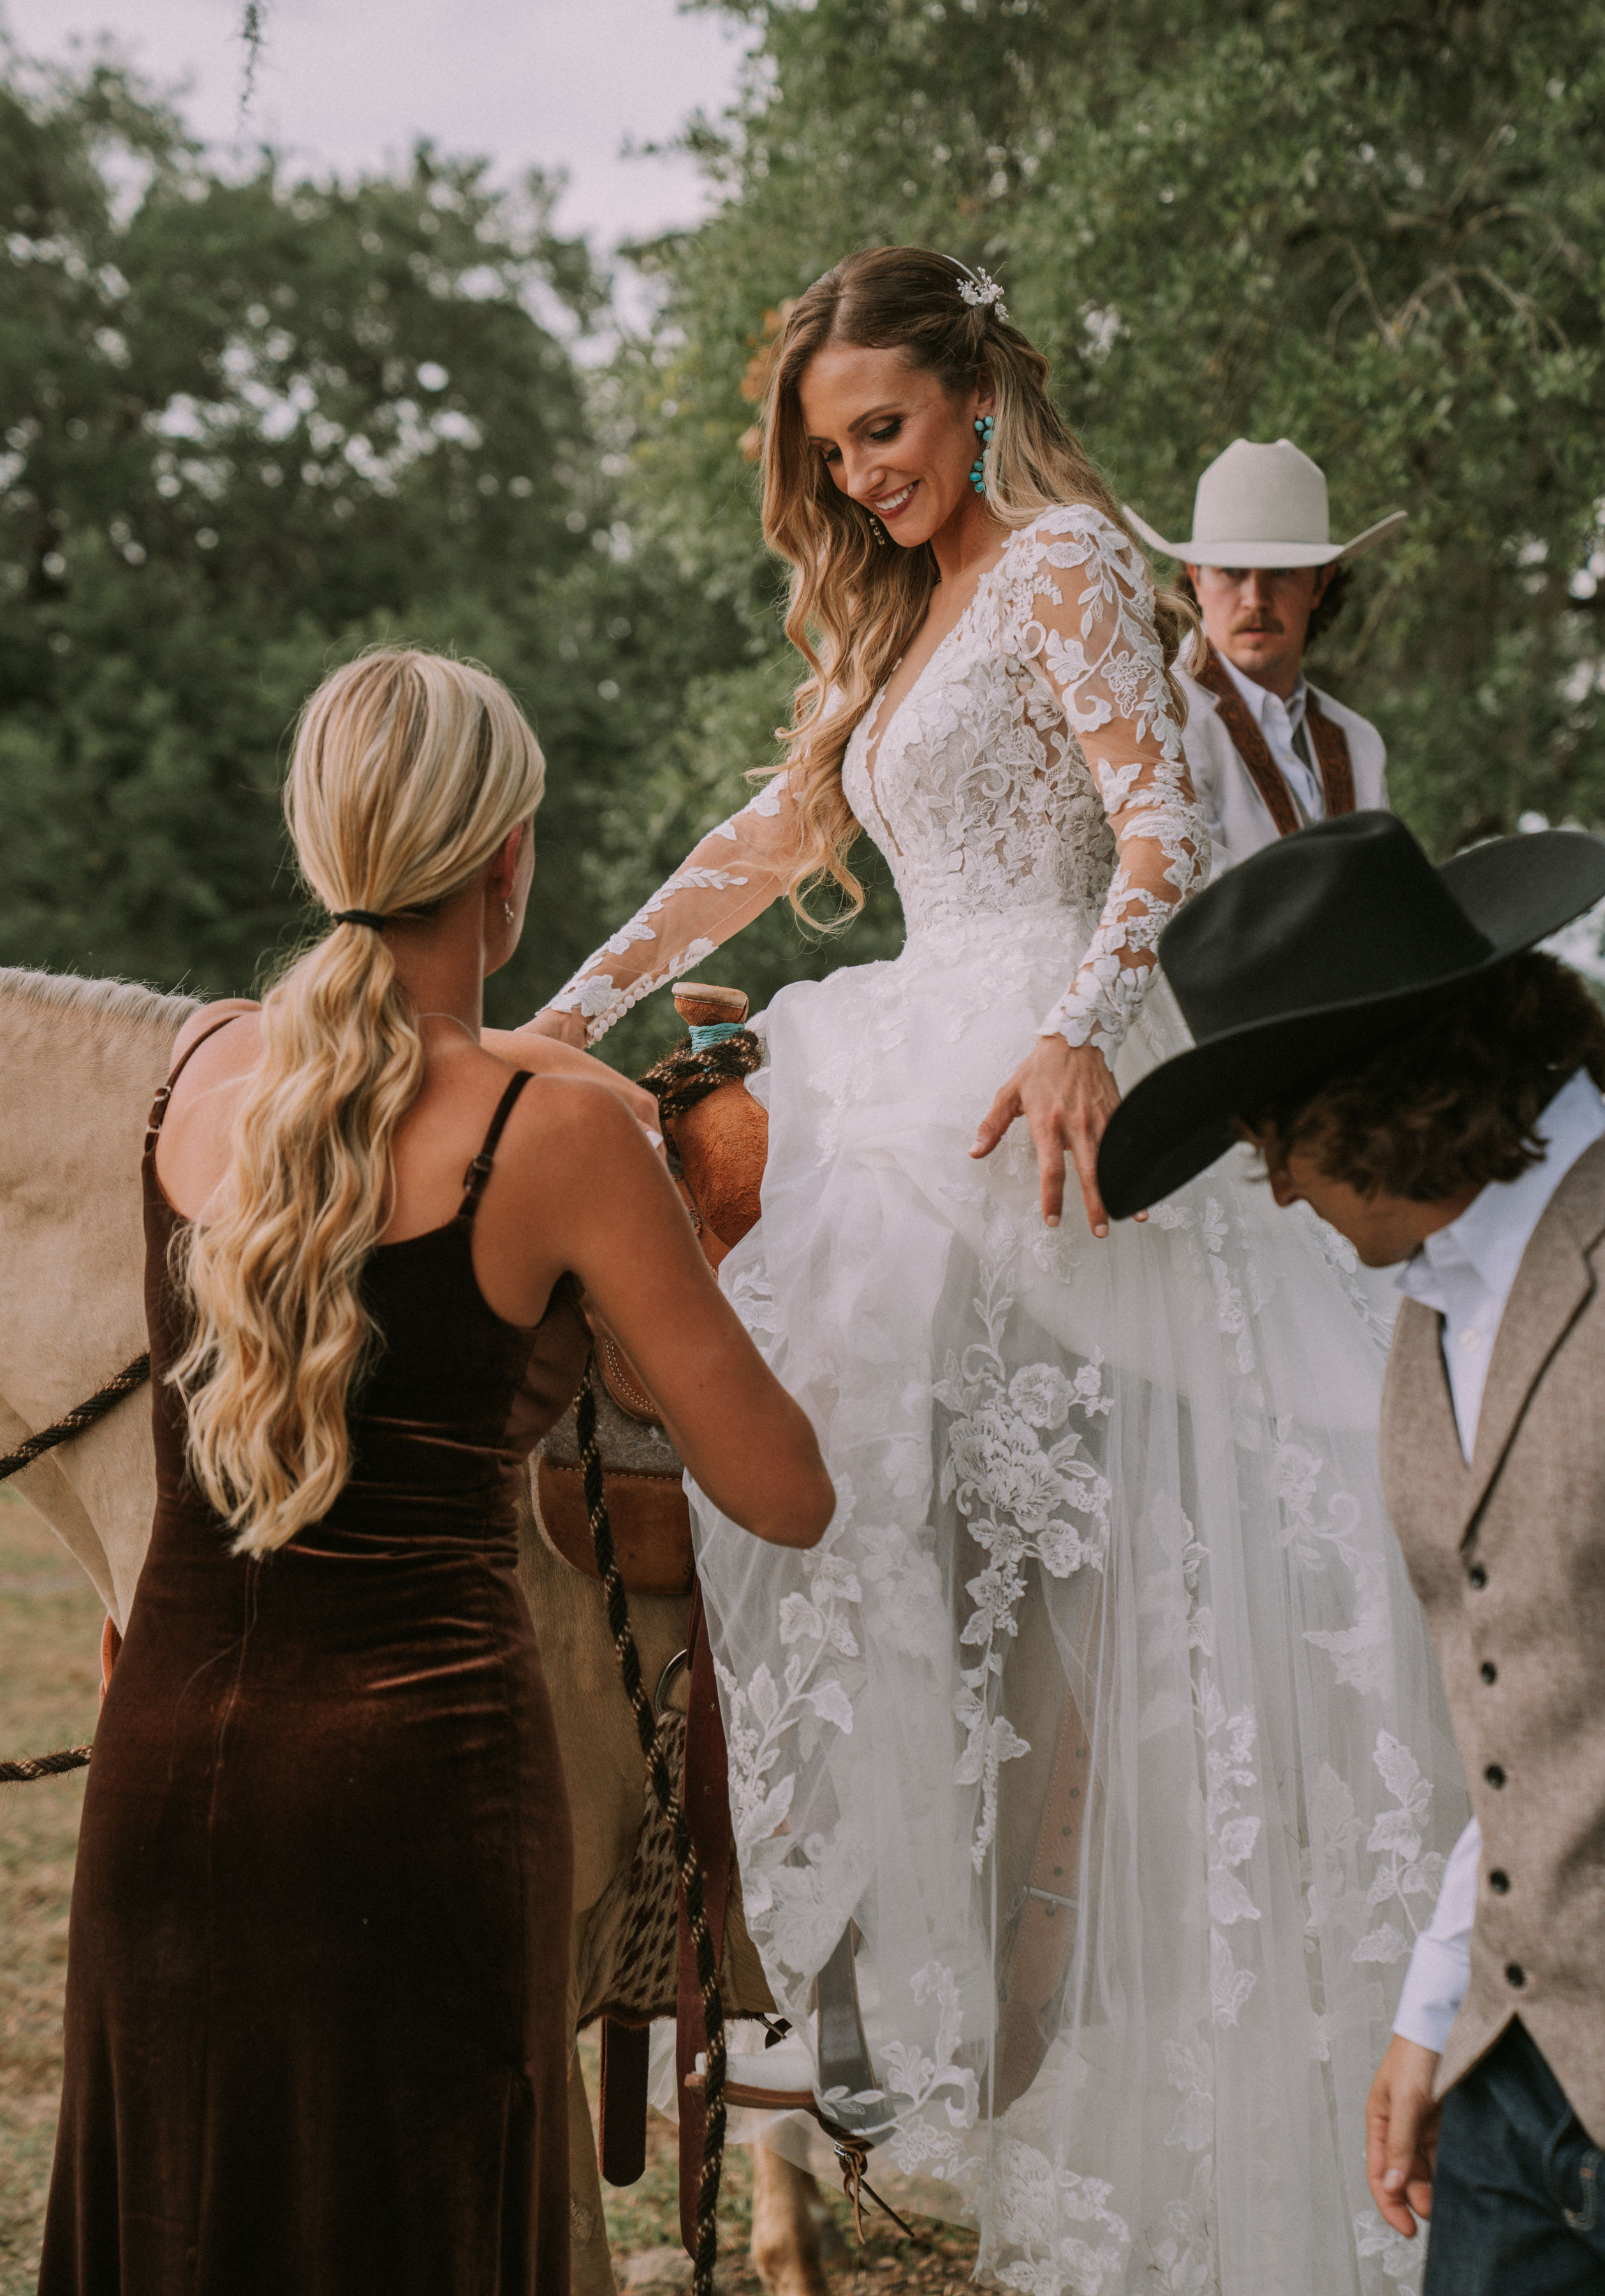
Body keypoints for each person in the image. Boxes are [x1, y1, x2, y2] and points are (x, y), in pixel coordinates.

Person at [523, 247, 1463, 2293]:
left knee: (845, 1398)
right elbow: (763, 841)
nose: (859, 475)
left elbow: (1154, 838)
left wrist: (1070, 1028)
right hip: (895, 1023)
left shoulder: (1049, 568)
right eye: (828, 449)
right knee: (740, 1291)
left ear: (967, 395)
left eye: (881, 429)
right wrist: (570, 1011)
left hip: (1030, 1048)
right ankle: (798, 1952)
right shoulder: (892, 616)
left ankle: (881, 1993)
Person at [38, 647, 833, 2296]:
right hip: (419, 1805)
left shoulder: (201, 1082)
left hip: (163, 1783)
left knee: (185, 2227)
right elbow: (780, 1490)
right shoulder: (556, 1139)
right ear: (508, 857)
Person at [1096, 807, 1605, 2293]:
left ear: (1383, 1097)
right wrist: (1435, 1999)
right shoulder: (1429, 1313)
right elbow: (1524, 1699)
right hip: (1514, 2085)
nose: (1270, 1188)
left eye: (1271, 1137)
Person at [1126, 437, 1403, 867]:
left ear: (1320, 583)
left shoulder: (1359, 743)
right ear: (1195, 578)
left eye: (1281, 573)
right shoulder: (1165, 716)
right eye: (1232, 573)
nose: (1255, 598)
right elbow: (1196, 895)